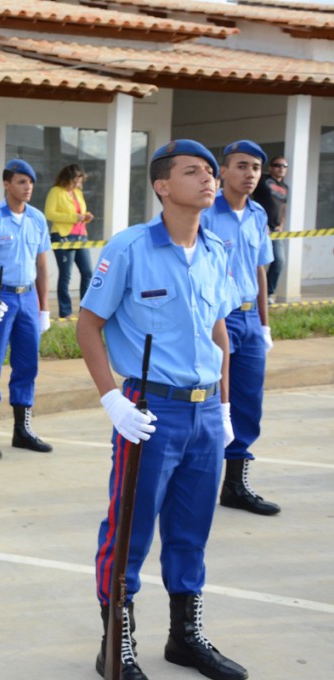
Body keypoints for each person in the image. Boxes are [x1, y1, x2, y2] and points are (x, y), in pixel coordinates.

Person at [76, 139, 247, 680]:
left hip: (201, 413)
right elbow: (88, 325)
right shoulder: (129, 247)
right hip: (148, 410)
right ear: (162, 186)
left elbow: (218, 328)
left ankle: (184, 636)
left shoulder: (217, 249)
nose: (209, 180)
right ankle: (115, 643)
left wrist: (222, 405)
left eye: (211, 173)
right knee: (128, 528)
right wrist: (110, 399)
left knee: (191, 530)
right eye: (193, 172)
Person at [203, 140, 280, 516]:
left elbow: (259, 270)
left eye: (255, 168)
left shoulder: (258, 214)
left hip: (248, 319)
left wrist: (264, 324)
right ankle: (195, 478)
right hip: (215, 318)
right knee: (213, 397)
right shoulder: (204, 213)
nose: (250, 174)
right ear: (224, 171)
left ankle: (235, 483)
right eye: (242, 166)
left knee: (248, 401)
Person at [0, 159, 53, 458]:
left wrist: (44, 308)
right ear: (7, 184)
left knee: (27, 364)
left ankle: (23, 429)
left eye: (30, 182)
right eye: (21, 181)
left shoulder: (37, 219)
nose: (27, 187)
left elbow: (42, 264)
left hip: (28, 297)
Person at [44, 164, 94, 319]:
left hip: (81, 236)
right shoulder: (56, 192)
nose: (78, 184)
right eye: (76, 181)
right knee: (66, 275)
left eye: (80, 181)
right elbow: (49, 213)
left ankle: (85, 310)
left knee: (88, 273)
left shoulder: (78, 193)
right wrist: (73, 217)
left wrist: (85, 216)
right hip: (63, 237)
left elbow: (79, 212)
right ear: (68, 178)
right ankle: (65, 312)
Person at [252, 155, 289, 300]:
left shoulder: (285, 187)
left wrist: (282, 224)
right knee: (252, 261)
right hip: (257, 228)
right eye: (277, 165)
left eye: (284, 166)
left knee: (279, 261)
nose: (281, 168)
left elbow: (284, 207)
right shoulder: (262, 180)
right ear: (270, 167)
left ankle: (268, 294)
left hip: (275, 231)